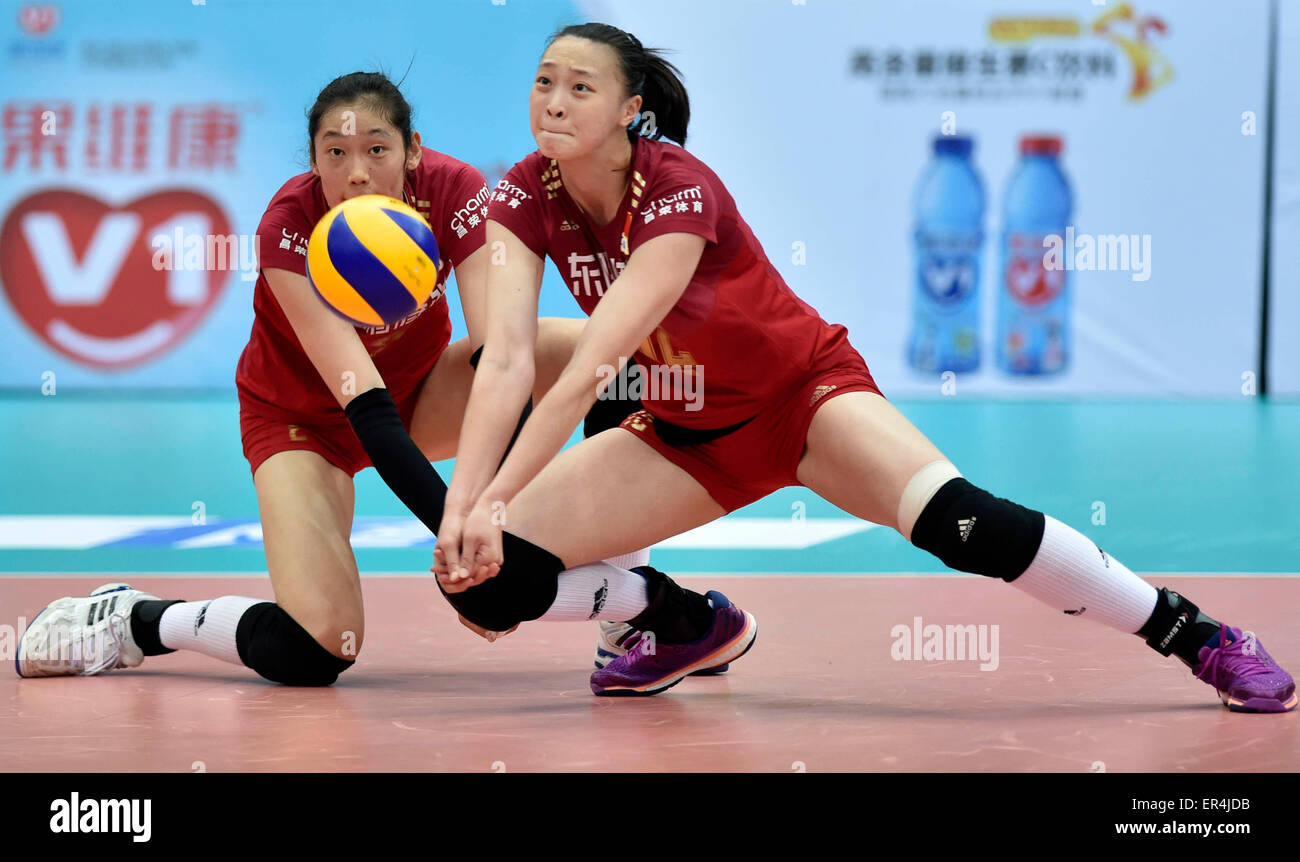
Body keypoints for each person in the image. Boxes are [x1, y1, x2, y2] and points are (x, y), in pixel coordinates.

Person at [431, 23, 1296, 711]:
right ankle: (678, 621)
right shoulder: (520, 195)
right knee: (484, 584)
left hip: (803, 402)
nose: (553, 100)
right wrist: (466, 507)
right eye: (544, 80)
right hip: (685, 431)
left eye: (581, 86)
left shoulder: (678, 188)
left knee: (963, 525)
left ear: (630, 108)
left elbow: (592, 369)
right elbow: (504, 357)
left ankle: (1194, 635)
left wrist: (493, 497)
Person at [15, 71, 642, 685]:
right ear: (314, 161)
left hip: (421, 391)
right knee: (318, 647)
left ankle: (627, 624)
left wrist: (496, 531)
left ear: (413, 151)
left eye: (376, 149)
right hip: (304, 425)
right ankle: (139, 620)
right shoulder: (288, 226)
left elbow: (496, 357)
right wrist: (460, 548)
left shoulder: (453, 189)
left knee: (617, 354)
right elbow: (365, 410)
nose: (358, 172)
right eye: (335, 154)